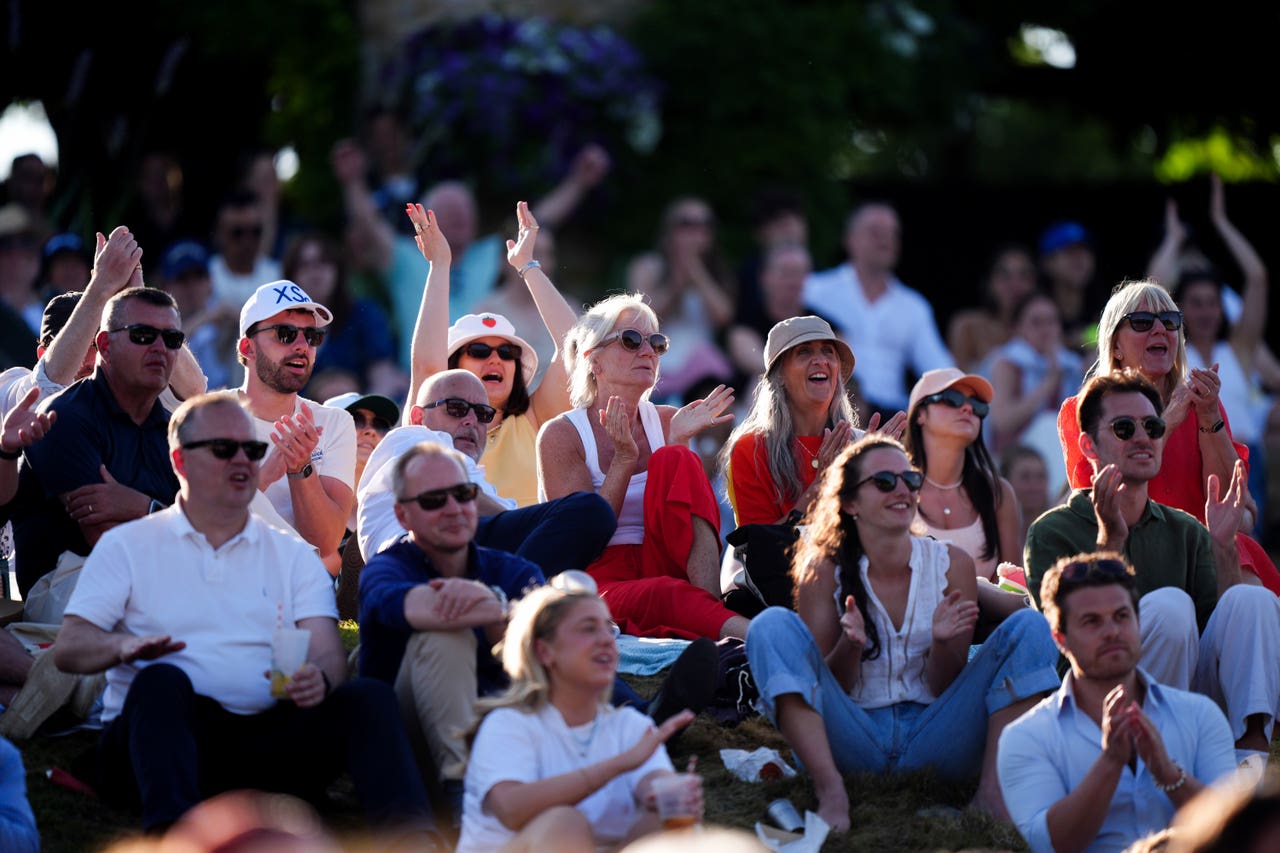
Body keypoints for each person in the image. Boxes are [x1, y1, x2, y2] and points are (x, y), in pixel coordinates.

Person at [52, 392, 435, 837]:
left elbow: (328, 652)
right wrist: (124, 647)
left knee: (367, 697)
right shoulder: (130, 545)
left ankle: (414, 841)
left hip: (266, 740)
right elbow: (69, 650)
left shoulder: (293, 555)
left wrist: (321, 677)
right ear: (179, 461)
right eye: (222, 449)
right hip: (164, 743)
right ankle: (173, 838)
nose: (241, 461)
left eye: (252, 450)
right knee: (159, 681)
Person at [744, 435, 1059, 829]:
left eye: (909, 480)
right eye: (884, 482)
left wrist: (943, 645)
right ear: (849, 502)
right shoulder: (822, 570)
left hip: (936, 738)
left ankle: (991, 796)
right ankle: (832, 793)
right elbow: (827, 690)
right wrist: (850, 646)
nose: (901, 491)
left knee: (1030, 626)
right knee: (771, 626)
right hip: (852, 739)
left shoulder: (952, 564)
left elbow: (944, 686)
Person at [1030, 370, 1280, 767]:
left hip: (1182, 701)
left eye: (1153, 425)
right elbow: (1072, 648)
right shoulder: (1053, 530)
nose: (1143, 437)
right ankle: (1149, 766)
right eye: (1124, 428)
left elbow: (1223, 631)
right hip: (1097, 707)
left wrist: (1222, 546)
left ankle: (1248, 766)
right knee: (1170, 608)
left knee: (1252, 600)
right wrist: (1110, 541)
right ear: (1089, 445)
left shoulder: (1185, 529)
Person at [537, 293, 749, 640]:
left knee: (676, 457)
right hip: (597, 577)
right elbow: (581, 539)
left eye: (657, 342)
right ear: (594, 360)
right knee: (663, 594)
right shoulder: (561, 434)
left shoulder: (668, 420)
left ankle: (710, 605)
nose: (648, 352)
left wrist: (679, 442)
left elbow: (685, 515)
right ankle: (759, 635)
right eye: (631, 340)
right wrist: (624, 458)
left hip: (665, 561)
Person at [998, 553, 1237, 853]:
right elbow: (1052, 845)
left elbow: (1237, 831)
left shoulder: (1200, 715)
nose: (1111, 631)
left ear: (1138, 621)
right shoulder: (1027, 737)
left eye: (1122, 616)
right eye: (1091, 621)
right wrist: (1110, 763)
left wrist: (1169, 775)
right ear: (1061, 640)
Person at [358, 441, 545, 815]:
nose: (454, 509)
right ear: (402, 515)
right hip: (408, 745)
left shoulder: (513, 571)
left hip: (504, 734)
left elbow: (550, 647)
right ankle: (464, 795)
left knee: (544, 647)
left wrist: (491, 609)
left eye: (463, 494)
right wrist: (495, 607)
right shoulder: (385, 567)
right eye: (433, 500)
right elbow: (411, 607)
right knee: (444, 634)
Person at [1057, 279, 1279, 592]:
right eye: (1143, 322)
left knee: (1250, 590)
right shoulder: (1083, 410)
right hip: (1134, 554)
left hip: (1204, 551)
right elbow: (1097, 508)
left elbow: (1235, 506)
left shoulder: (1203, 403)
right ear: (1115, 346)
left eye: (1170, 321)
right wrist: (1167, 422)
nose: (1160, 329)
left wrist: (1209, 418)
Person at [457, 579, 700, 853]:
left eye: (609, 629)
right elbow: (511, 809)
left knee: (664, 821)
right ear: (544, 651)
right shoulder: (509, 724)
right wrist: (617, 765)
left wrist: (673, 797)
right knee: (564, 822)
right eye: (588, 629)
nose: (607, 640)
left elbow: (654, 785)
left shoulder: (630, 726)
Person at [332, 138, 609, 367]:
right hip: (421, 376)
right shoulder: (405, 257)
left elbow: (534, 224)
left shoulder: (490, 254)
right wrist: (352, 182)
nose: (458, 216)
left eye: (464, 210)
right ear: (424, 221)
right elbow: (369, 224)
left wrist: (579, 182)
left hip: (482, 373)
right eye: (447, 211)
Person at [6, 287, 186, 594]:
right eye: (143, 335)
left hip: (159, 588)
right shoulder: (63, 417)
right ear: (105, 345)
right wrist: (176, 518)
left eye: (172, 339)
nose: (160, 348)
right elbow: (106, 540)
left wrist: (145, 507)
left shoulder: (177, 430)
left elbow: (213, 535)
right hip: (71, 593)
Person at [356, 369, 615, 582]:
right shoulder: (411, 436)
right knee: (590, 510)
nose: (471, 420)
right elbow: (452, 493)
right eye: (456, 408)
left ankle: (514, 607)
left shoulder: (483, 484)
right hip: (418, 555)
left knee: (588, 527)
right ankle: (519, 607)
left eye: (482, 414)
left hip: (464, 558)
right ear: (417, 416)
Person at [405, 200, 576, 507]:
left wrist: (527, 264)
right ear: (453, 366)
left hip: (522, 553)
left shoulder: (534, 422)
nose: (495, 358)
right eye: (479, 350)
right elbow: (426, 367)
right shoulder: (430, 426)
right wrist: (440, 264)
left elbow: (575, 347)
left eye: (508, 352)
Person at [721, 315, 905, 527]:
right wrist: (822, 485)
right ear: (779, 375)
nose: (821, 360)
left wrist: (879, 473)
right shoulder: (751, 449)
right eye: (804, 352)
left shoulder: (861, 447)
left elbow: (884, 534)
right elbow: (761, 548)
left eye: (828, 351)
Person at [236, 279, 356, 574]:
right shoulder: (209, 417)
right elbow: (205, 524)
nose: (302, 346)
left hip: (298, 589)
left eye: (312, 336)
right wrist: (265, 474)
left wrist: (301, 468)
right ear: (247, 348)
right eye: (285, 333)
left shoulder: (334, 422)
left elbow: (325, 542)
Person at [803, 201, 952, 418]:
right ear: (850, 239)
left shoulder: (913, 306)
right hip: (828, 410)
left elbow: (940, 370)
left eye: (892, 234)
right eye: (875, 232)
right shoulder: (815, 290)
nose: (885, 239)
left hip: (891, 418)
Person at [903, 368, 1027, 623]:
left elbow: (1012, 585)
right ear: (920, 415)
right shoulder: (896, 487)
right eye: (952, 399)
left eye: (977, 405)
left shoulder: (998, 493)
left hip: (983, 632)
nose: (967, 409)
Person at [627, 197, 737, 403]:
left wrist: (697, 272)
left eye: (704, 226)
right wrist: (678, 281)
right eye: (686, 225)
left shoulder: (716, 273)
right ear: (669, 231)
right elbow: (643, 319)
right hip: (657, 364)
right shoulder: (647, 266)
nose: (695, 234)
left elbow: (724, 317)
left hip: (703, 371)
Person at [283, 231, 406, 400]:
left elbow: (384, 378)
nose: (315, 272)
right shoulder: (279, 326)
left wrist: (364, 415)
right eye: (304, 265)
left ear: (338, 270)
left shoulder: (365, 315)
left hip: (361, 413)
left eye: (323, 262)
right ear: (291, 275)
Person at [987, 291, 1085, 466]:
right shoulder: (1008, 363)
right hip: (1012, 458)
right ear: (1018, 328)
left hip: (1060, 453)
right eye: (1036, 322)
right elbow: (1001, 421)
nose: (1045, 329)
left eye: (1051, 321)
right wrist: (1049, 383)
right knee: (1049, 424)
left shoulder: (1071, 364)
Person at [946, 243, 1038, 374]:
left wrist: (1077, 338)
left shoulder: (1047, 326)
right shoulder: (968, 326)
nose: (1014, 285)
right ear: (989, 282)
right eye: (1005, 276)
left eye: (1023, 276)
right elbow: (955, 382)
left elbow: (1078, 337)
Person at [208, 190, 282, 310]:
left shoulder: (278, 277)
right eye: (238, 233)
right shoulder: (205, 277)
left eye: (255, 231)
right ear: (219, 234)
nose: (248, 240)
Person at [1038, 220, 1102, 352]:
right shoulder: (1034, 307)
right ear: (1047, 263)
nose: (1079, 259)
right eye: (1069, 252)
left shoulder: (1106, 304)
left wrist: (1081, 338)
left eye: (1084, 251)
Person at [1000, 444, 1053, 539]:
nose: (1034, 486)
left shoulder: (1062, 528)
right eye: (1025, 477)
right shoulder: (993, 532)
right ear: (1006, 482)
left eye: (1041, 476)